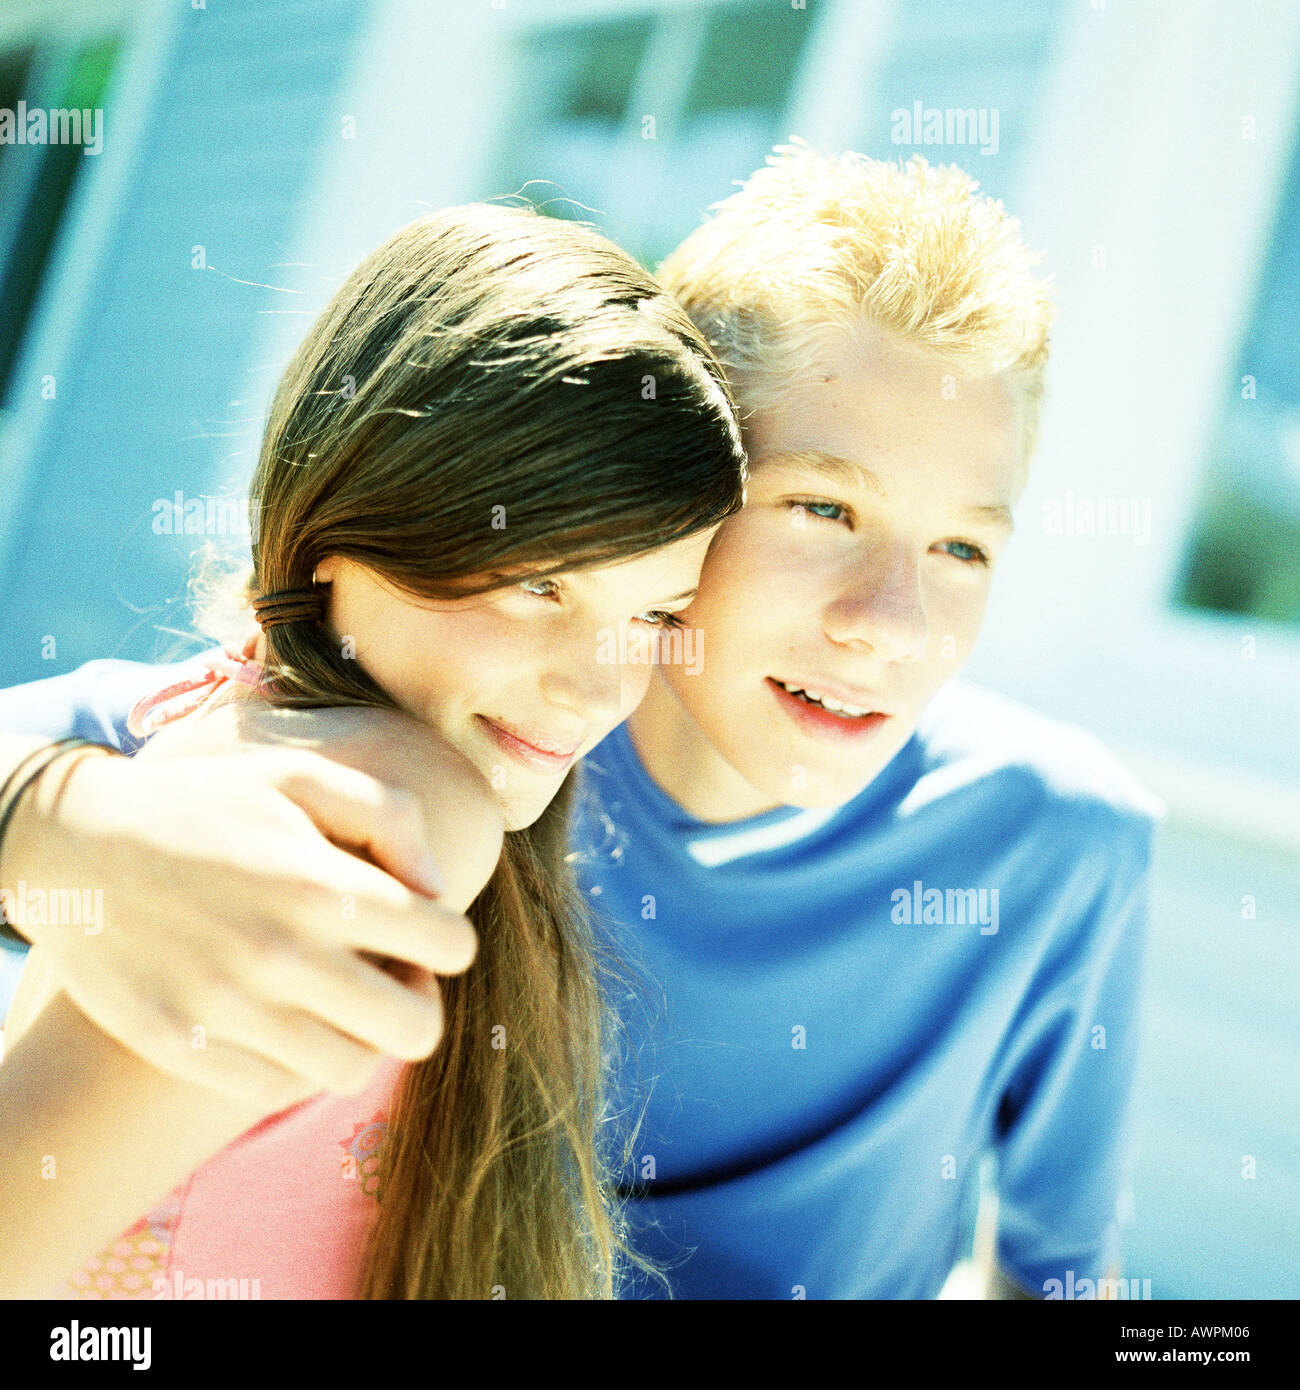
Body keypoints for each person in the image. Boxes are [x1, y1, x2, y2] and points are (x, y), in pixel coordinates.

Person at [0, 146, 1161, 1299]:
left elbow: (1060, 1280)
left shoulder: (1060, 841)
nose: (889, 623)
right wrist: (61, 824)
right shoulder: (480, 728)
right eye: (821, 506)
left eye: (962, 547)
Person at [0, 200, 748, 1300]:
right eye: (540, 582)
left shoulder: (209, 712)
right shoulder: (373, 809)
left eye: (650, 615)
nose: (597, 686)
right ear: (350, 521)